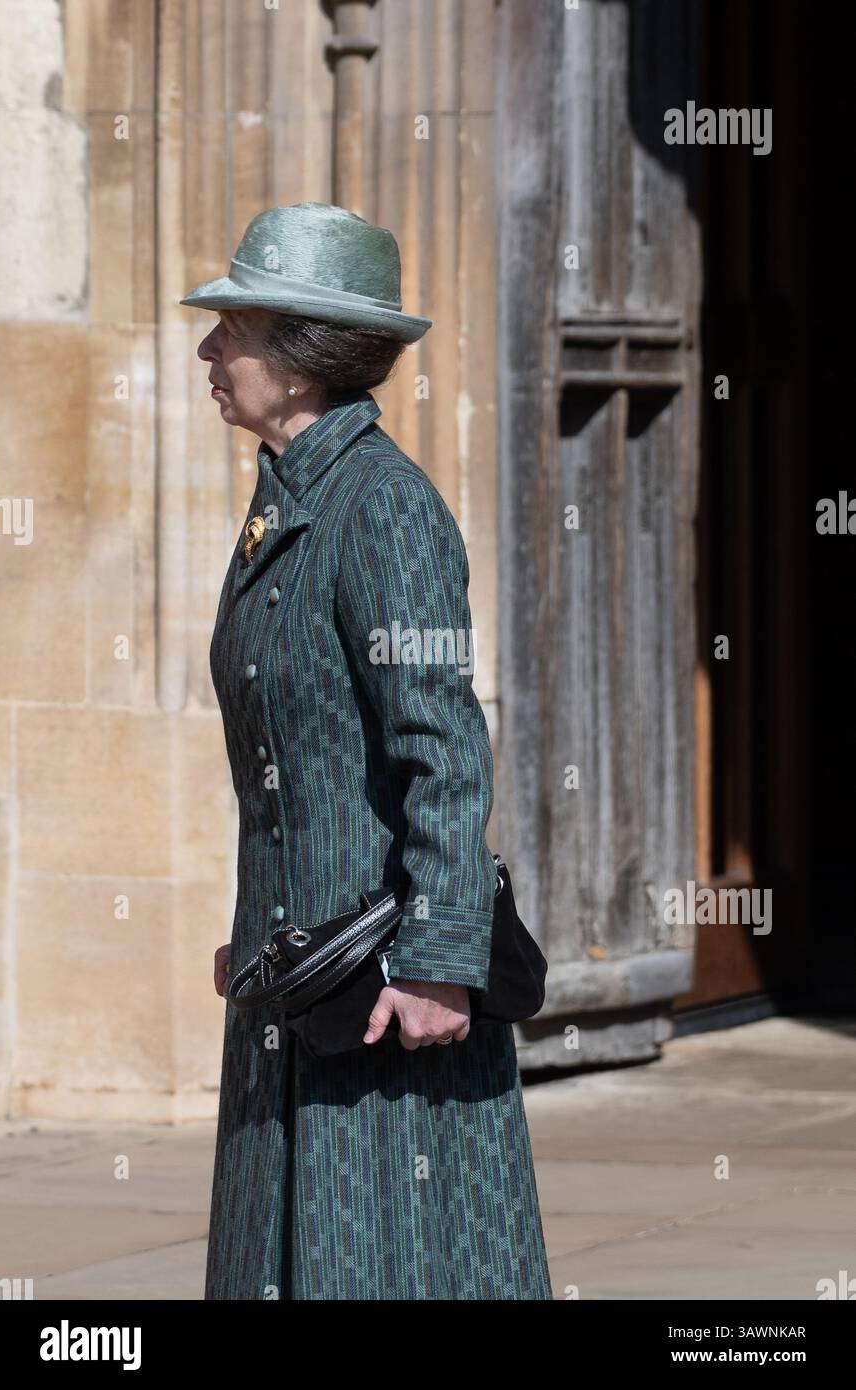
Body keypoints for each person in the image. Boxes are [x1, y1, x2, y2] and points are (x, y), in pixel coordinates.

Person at [180, 201, 552, 1300]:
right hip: (294, 980)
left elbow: (441, 741)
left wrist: (441, 960)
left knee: (376, 1260)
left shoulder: (385, 509)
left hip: (385, 992)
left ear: (298, 359)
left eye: (231, 327)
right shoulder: (286, 503)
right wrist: (255, 931)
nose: (208, 349)